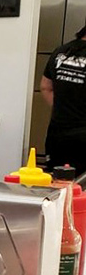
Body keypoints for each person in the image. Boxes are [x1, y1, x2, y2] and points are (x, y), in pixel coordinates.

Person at [40, 23, 86, 177]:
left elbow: (45, 87)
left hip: (57, 134)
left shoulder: (60, 52)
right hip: (82, 137)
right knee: (81, 190)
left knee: (58, 185)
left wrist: (62, 106)